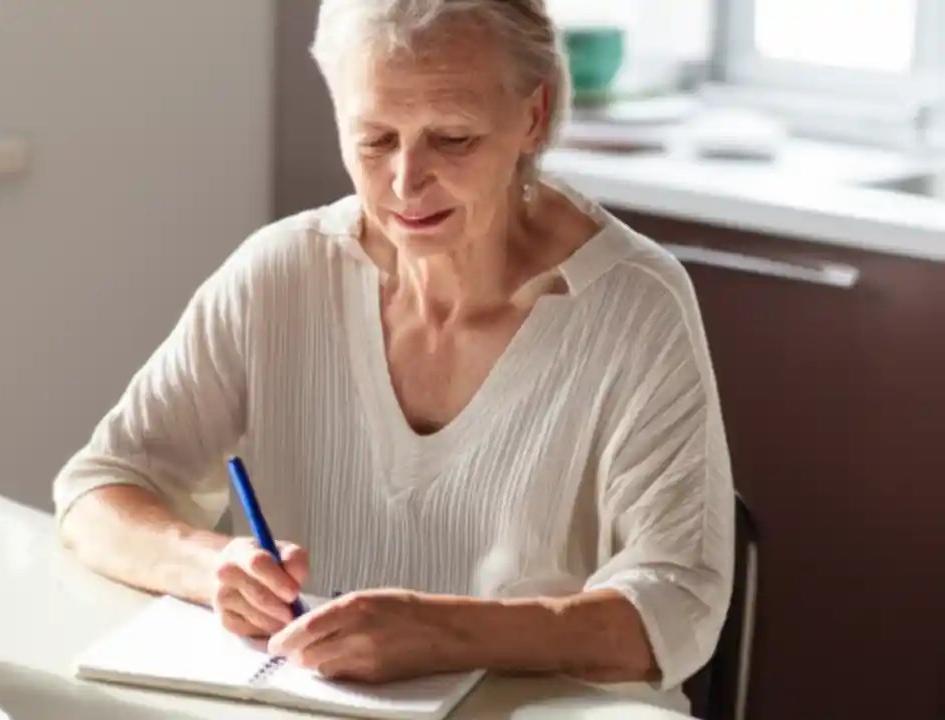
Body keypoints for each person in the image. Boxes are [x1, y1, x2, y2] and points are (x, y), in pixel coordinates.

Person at [54, 0, 733, 713]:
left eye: (453, 138)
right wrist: (212, 565)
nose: (406, 183)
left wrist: (450, 632)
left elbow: (679, 604)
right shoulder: (282, 273)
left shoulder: (635, 305)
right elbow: (99, 488)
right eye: (375, 140)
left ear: (534, 114)